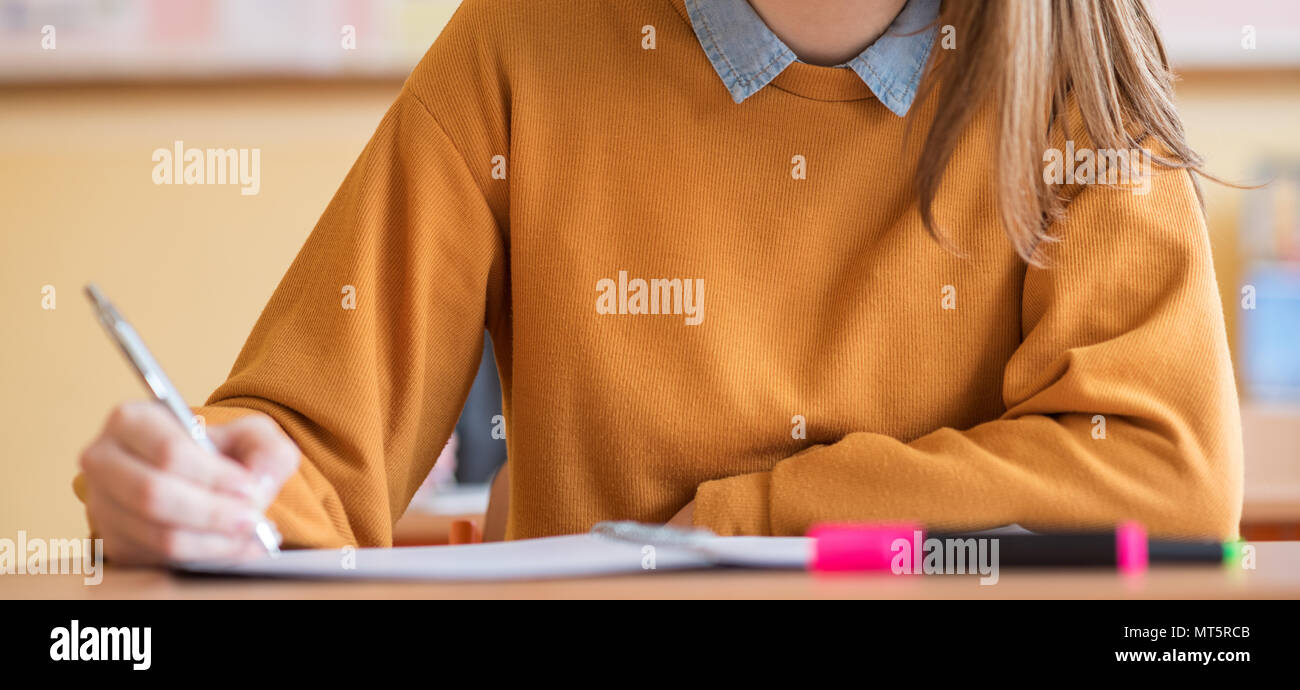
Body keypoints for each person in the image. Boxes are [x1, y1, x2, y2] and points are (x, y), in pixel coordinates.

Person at [75, 0, 1243, 564]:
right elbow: (305, 456)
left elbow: (1164, 477)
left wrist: (752, 522)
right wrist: (201, 497)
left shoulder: (1077, 74)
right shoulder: (522, 45)